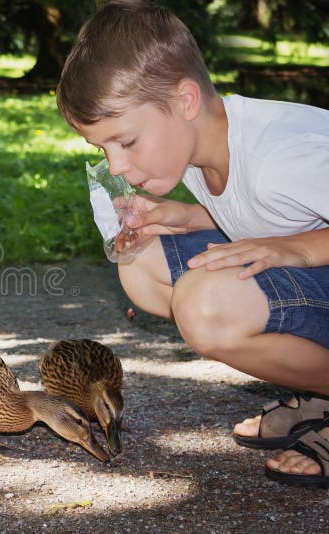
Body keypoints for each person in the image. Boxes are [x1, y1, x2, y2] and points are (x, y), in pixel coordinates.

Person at [56, 0, 329, 488]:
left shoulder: (284, 159)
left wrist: (300, 251)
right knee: (143, 264)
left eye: (126, 142)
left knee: (208, 304)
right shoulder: (208, 145)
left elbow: (286, 206)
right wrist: (187, 216)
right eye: (103, 150)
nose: (115, 166)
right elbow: (279, 209)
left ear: (184, 102)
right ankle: (318, 389)